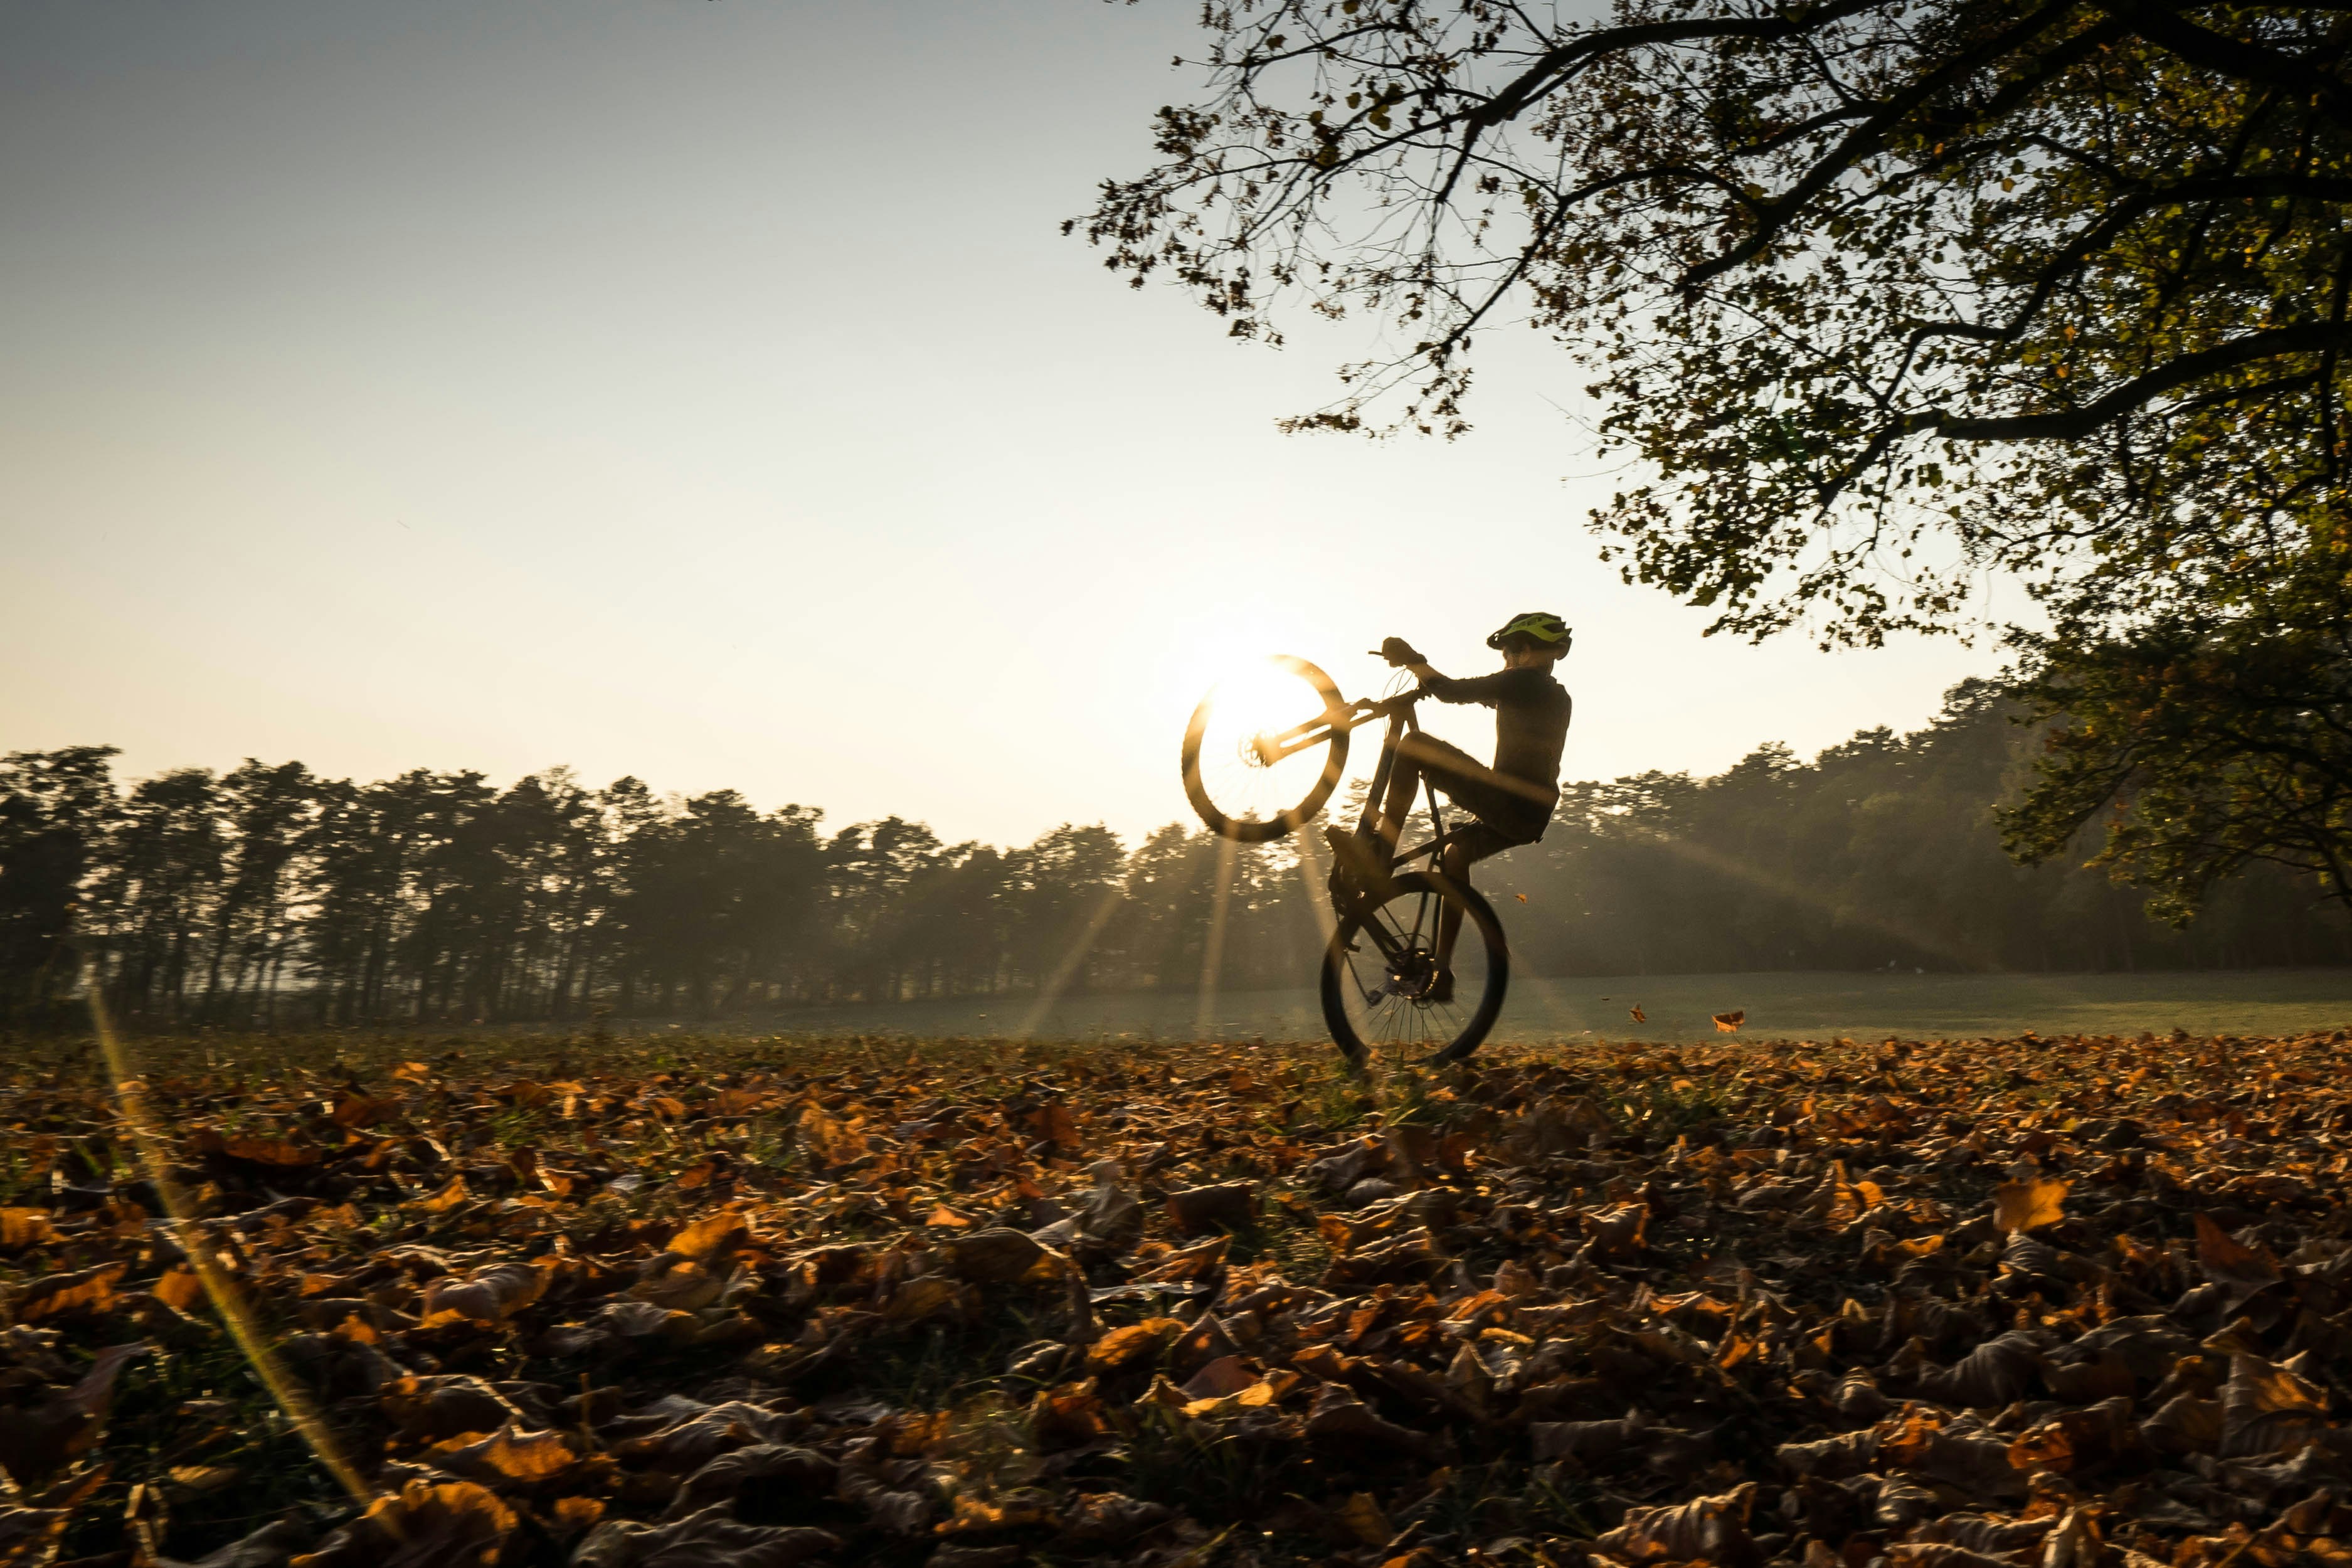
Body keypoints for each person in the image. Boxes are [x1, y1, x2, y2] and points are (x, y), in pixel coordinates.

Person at [1325, 610, 1573, 997]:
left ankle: (1380, 855)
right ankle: (1441, 970)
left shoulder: (1526, 682)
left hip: (1510, 801)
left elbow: (1454, 692)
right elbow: (1477, 695)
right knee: (1455, 856)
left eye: (1507, 653)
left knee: (1413, 748)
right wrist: (1427, 681)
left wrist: (1413, 660)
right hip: (1529, 817)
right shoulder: (1546, 693)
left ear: (1524, 650)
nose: (1505, 662)